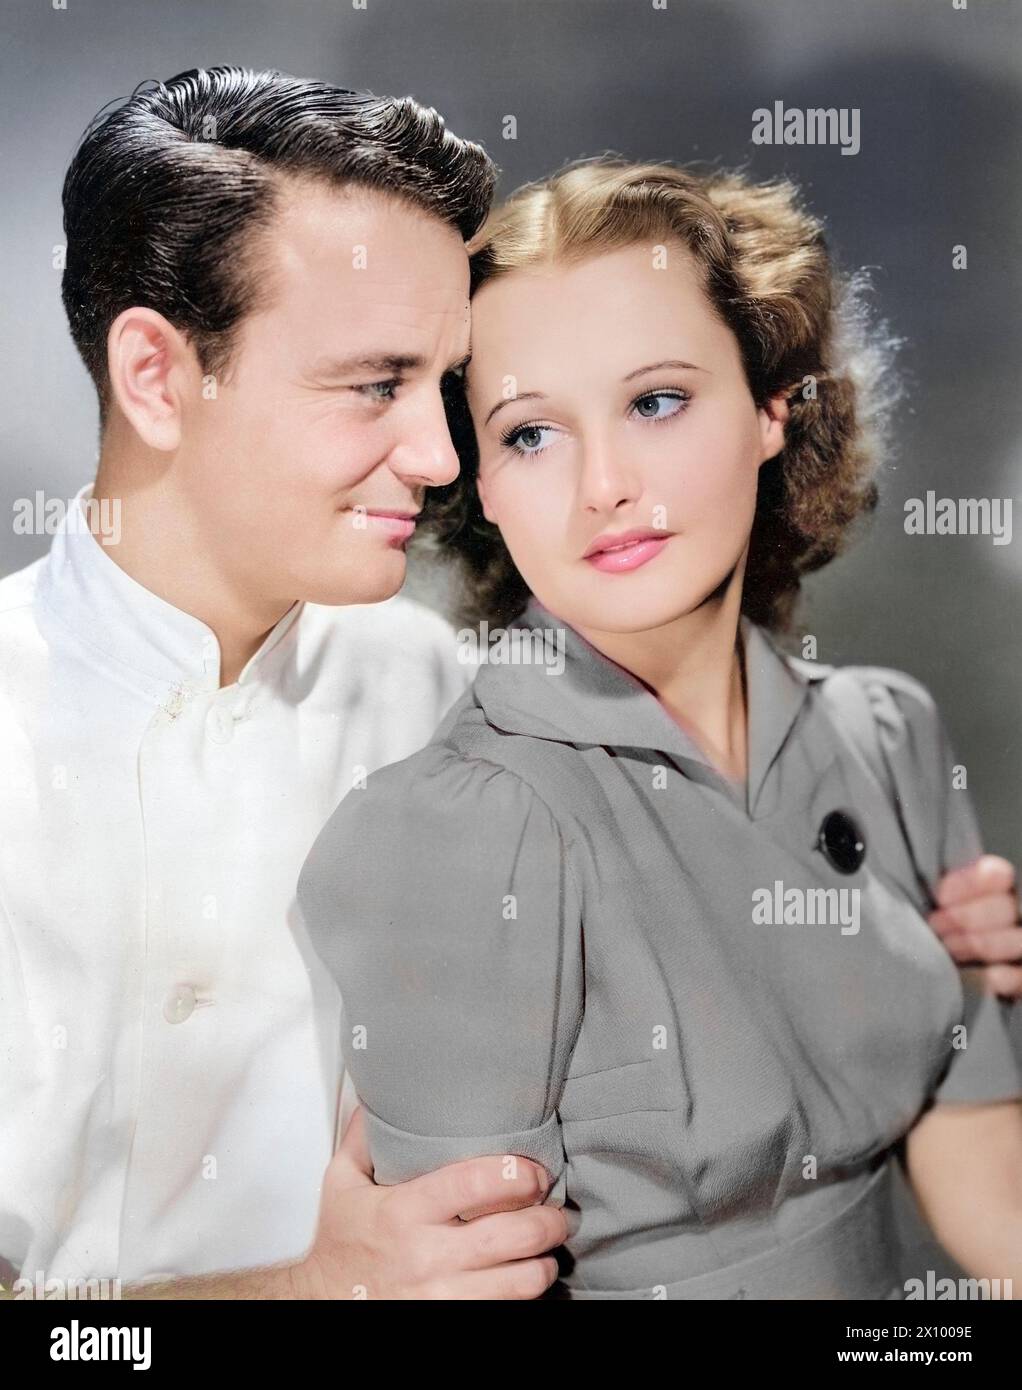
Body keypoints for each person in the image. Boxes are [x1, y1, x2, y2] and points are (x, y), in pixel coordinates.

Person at [298, 159, 1022, 1298]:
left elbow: (983, 1176)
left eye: (655, 401)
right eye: (531, 433)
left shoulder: (890, 737)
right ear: (478, 480)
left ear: (774, 409)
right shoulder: (460, 832)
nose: (604, 485)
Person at [0, 66, 569, 1301]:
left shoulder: (449, 700)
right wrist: (313, 1292)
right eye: (374, 384)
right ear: (156, 375)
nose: (434, 455)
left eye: (444, 386)